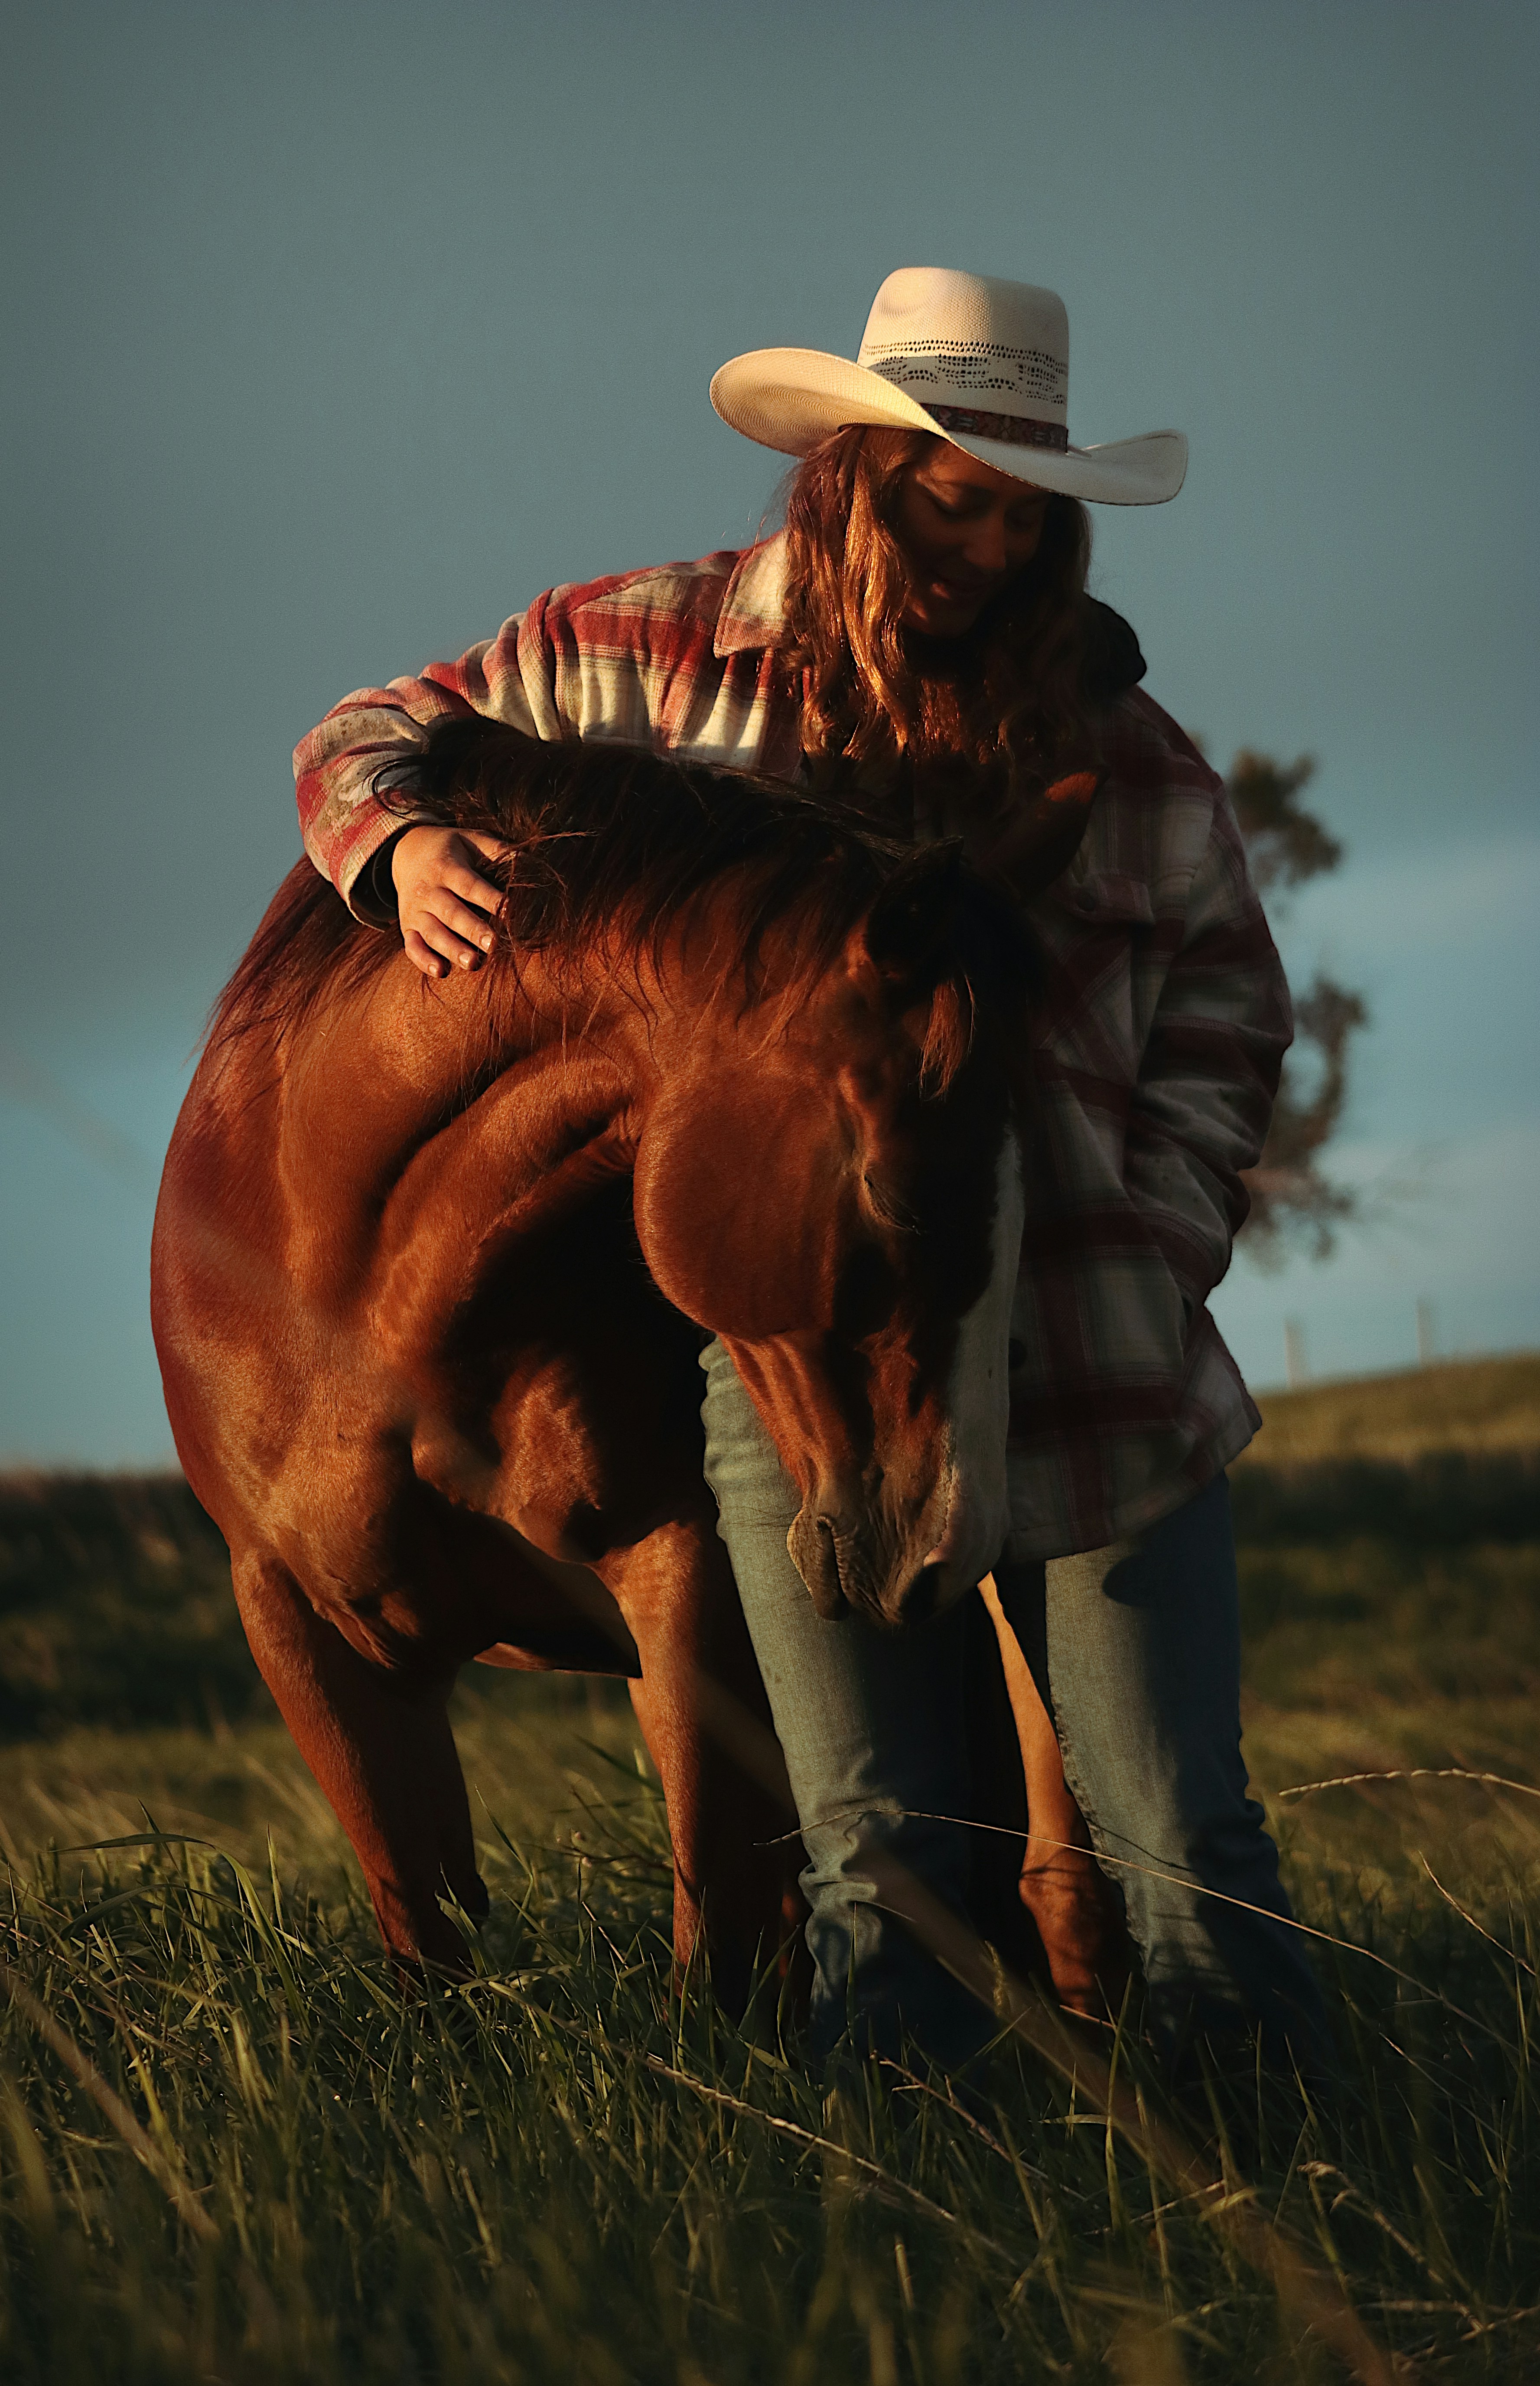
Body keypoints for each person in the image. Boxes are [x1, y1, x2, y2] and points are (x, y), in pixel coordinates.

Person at [294, 267, 1327, 2083]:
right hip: (796, 1362)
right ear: (850, 467)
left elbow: (1228, 1010)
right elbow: (366, 729)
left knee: (1187, 1861)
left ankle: (1300, 2217)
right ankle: (917, 2260)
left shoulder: (1122, 754)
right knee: (879, 1863)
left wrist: (1157, 1243)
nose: (990, 547)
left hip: (1091, 1357)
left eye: (1025, 514)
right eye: (951, 497)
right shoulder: (645, 653)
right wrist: (403, 845)